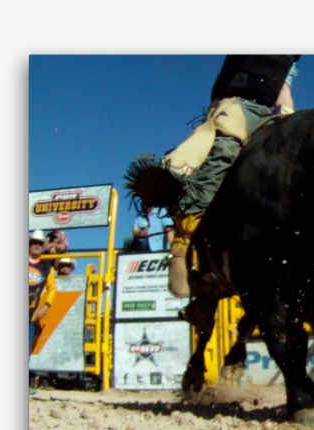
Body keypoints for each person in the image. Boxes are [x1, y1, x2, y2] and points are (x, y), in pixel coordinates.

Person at [126, 55, 301, 297]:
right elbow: (225, 83)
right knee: (221, 155)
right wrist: (217, 111)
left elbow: (284, 88)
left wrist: (288, 117)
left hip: (270, 112)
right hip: (237, 107)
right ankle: (182, 244)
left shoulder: (288, 59)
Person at [29, 230, 56, 395]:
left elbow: (52, 289)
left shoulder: (47, 267)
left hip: (30, 315)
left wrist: (46, 305)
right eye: (34, 242)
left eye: (40, 243)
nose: (37, 246)